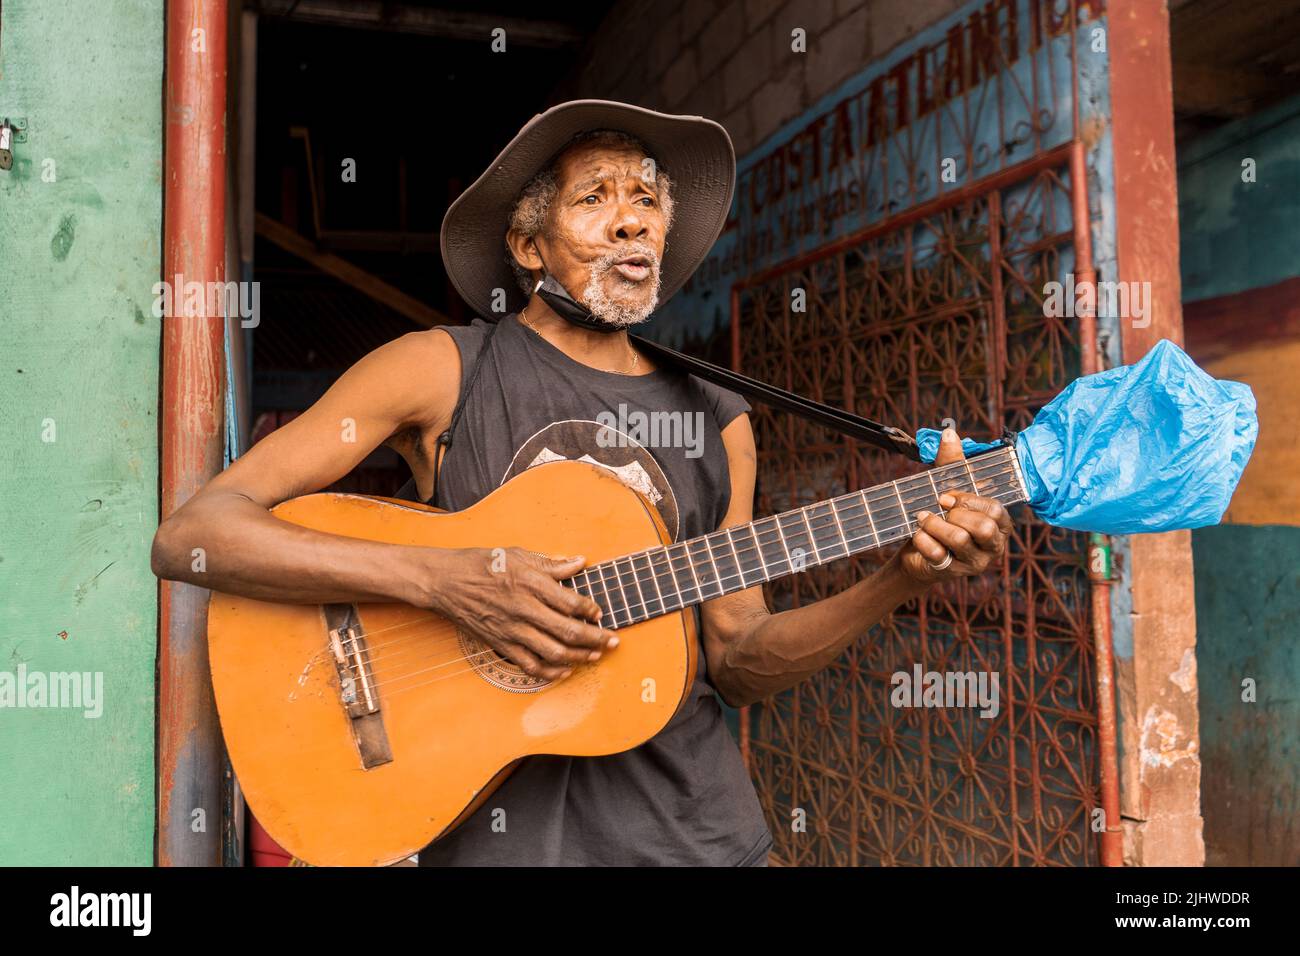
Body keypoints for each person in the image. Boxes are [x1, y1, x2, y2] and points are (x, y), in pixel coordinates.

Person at [151, 100, 1012, 866]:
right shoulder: (439, 372)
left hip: (696, 835)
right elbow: (195, 534)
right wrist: (443, 580)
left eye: (647, 202)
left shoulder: (721, 416)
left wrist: (900, 577)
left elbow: (741, 660)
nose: (631, 222)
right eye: (596, 198)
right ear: (529, 245)